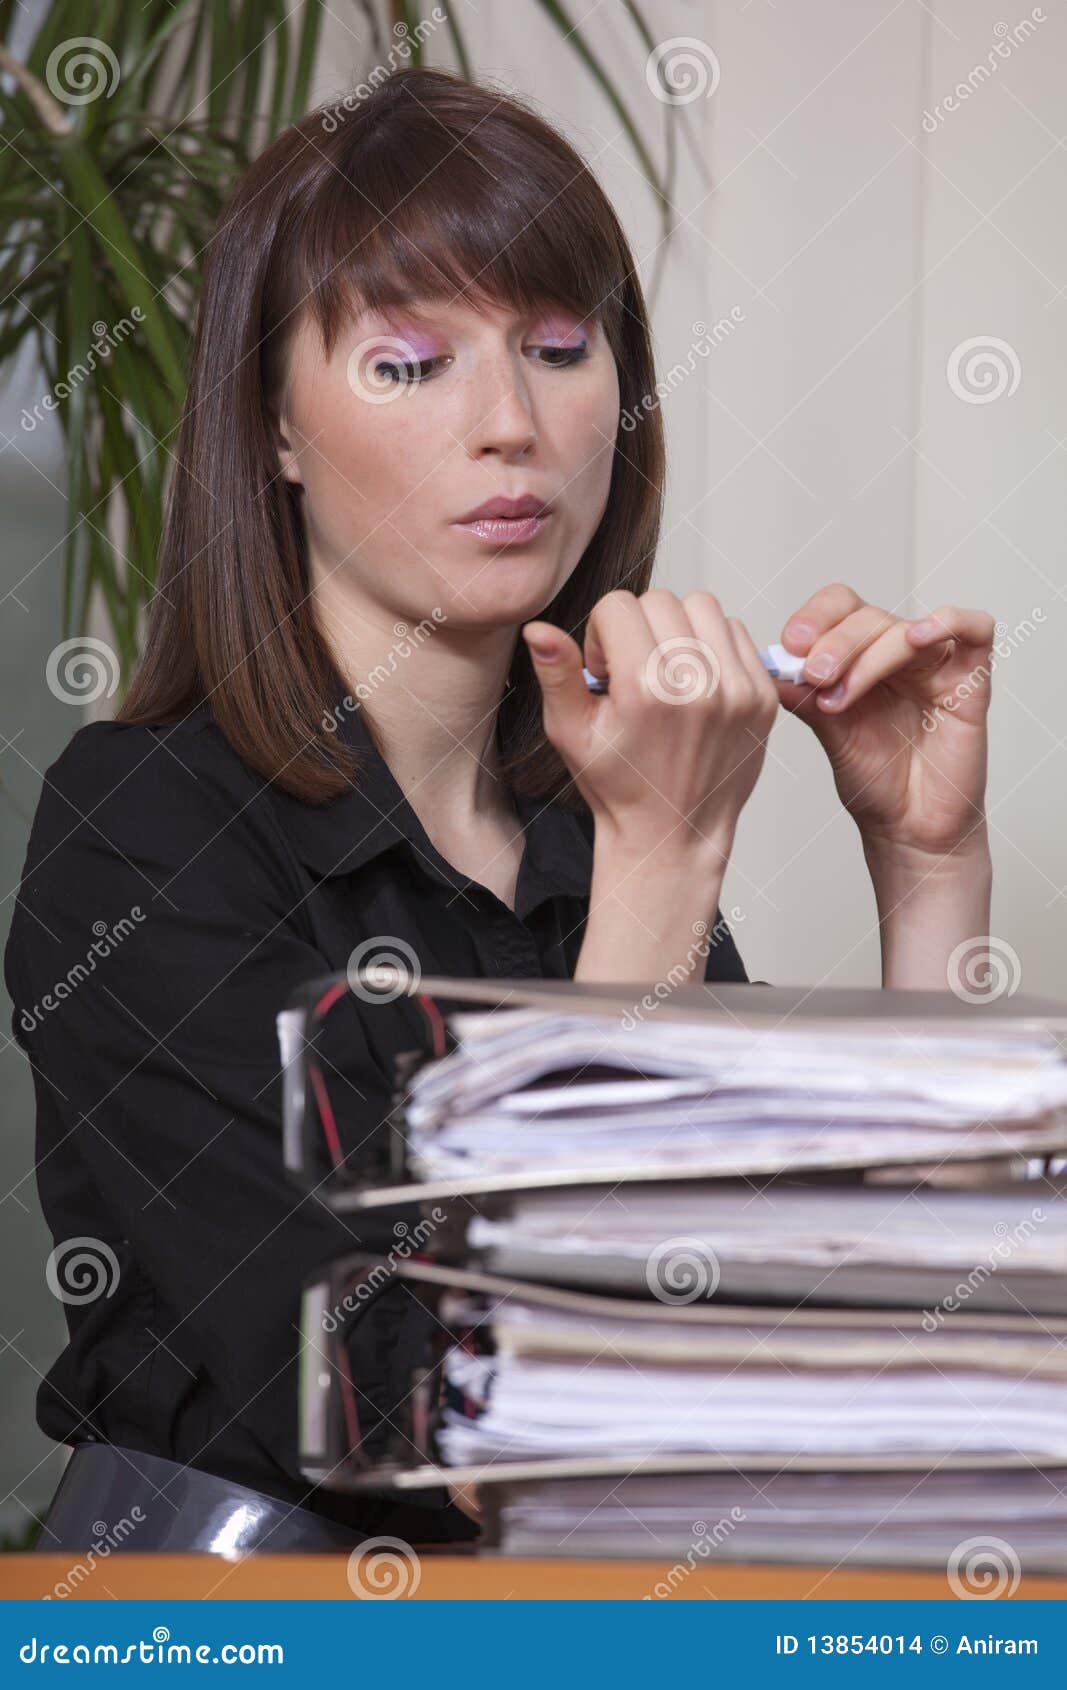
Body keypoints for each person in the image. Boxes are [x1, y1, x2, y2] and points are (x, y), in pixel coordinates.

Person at [5, 67, 996, 1555]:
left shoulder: (586, 829)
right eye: (411, 363)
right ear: (275, 428)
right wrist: (663, 860)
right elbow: (456, 1428)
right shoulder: (143, 828)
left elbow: (894, 1348)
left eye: (556, 345)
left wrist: (926, 872)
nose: (512, 424)